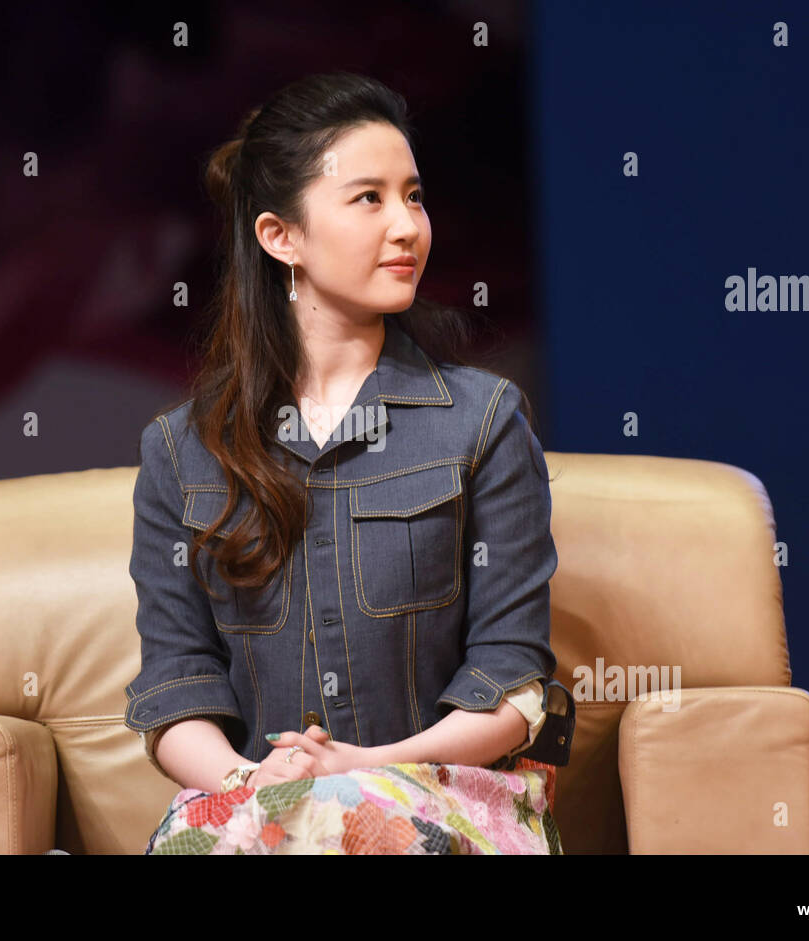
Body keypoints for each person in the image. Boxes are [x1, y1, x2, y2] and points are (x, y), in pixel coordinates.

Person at [124, 72, 575, 854]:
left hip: (446, 798)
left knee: (340, 822)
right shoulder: (179, 451)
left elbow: (514, 685)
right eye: (369, 198)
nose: (407, 226)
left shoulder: (484, 422)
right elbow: (175, 688)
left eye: (415, 195)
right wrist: (250, 781)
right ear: (280, 237)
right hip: (258, 812)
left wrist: (359, 770)